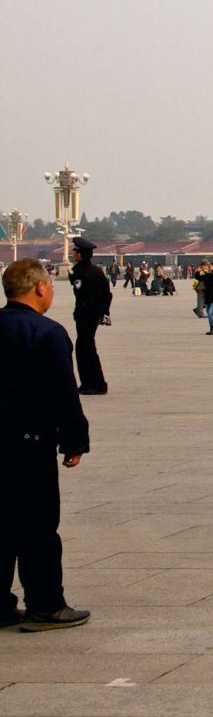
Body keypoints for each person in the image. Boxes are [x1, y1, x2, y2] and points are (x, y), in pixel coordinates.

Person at [0, 259, 92, 631]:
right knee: (37, 526)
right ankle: (46, 604)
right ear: (39, 288)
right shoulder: (46, 333)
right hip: (28, 444)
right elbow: (62, 392)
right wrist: (74, 439)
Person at [67, 237, 111, 396]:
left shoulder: (80, 272)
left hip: (85, 315)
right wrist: (104, 312)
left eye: (75, 251)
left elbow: (82, 294)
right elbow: (106, 293)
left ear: (80, 254)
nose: (73, 253)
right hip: (94, 315)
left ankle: (93, 383)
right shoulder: (97, 271)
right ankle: (93, 382)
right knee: (88, 348)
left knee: (84, 349)